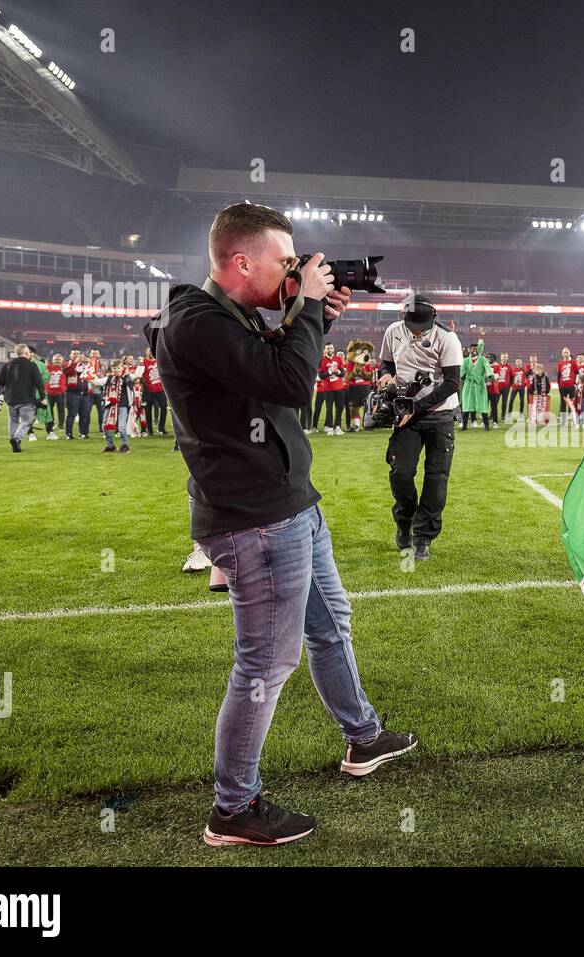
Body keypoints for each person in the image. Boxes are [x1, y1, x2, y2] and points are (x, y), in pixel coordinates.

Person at [146, 202, 416, 847]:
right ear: (242, 262)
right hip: (257, 520)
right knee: (266, 663)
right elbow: (290, 383)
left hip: (290, 504)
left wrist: (309, 313)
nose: (295, 270)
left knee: (330, 625)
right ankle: (233, 808)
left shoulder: (227, 317)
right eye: (283, 261)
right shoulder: (196, 321)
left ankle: (362, 736)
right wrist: (308, 315)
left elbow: (267, 373)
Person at [377, 293, 464, 561]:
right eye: (411, 325)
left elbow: (451, 383)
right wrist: (386, 375)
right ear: (404, 317)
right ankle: (404, 522)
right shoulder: (393, 331)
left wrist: (414, 408)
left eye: (421, 327)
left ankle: (424, 537)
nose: (415, 331)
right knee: (401, 473)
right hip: (405, 413)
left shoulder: (447, 338)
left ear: (433, 319)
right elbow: (386, 362)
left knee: (436, 480)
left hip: (439, 415)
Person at [0, 343, 44, 453]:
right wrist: (42, 396)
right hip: (26, 399)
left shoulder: (8, 365)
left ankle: (14, 441)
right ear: (27, 353)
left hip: (10, 399)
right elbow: (39, 382)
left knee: (12, 420)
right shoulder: (32, 365)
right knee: (27, 421)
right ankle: (16, 439)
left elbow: (0, 381)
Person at [96, 358, 135, 453]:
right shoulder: (109, 378)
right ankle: (110, 445)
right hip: (110, 405)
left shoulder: (127, 378)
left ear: (122, 368)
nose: (116, 370)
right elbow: (97, 382)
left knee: (122, 427)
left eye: (118, 368)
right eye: (114, 368)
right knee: (105, 425)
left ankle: (125, 445)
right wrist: (89, 374)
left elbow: (137, 375)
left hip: (123, 405)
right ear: (111, 369)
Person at [459, 339, 490, 430]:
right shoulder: (465, 361)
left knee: (483, 405)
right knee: (467, 405)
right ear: (469, 350)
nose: (474, 350)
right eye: (472, 349)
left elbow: (488, 368)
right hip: (469, 385)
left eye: (476, 349)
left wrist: (490, 375)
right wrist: (459, 377)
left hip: (480, 385)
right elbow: (461, 371)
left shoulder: (483, 360)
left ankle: (486, 426)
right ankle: (464, 426)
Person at [63, 349, 92, 440]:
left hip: (85, 393)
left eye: (78, 354)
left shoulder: (86, 366)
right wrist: (75, 362)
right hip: (73, 393)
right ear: (70, 355)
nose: (76, 356)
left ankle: (83, 433)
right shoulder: (67, 364)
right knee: (72, 414)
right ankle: (68, 433)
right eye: (74, 354)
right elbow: (69, 371)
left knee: (85, 414)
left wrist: (90, 362)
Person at [142, 347, 169, 436]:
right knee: (148, 410)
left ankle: (161, 427)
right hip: (148, 390)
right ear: (146, 353)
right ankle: (150, 430)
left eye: (151, 351)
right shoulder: (143, 363)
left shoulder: (159, 361)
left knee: (164, 408)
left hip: (160, 389)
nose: (150, 352)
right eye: (148, 351)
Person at [43, 353, 66, 439]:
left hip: (60, 393)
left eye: (59, 360)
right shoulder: (48, 367)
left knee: (61, 410)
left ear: (62, 361)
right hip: (49, 393)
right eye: (56, 360)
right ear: (52, 360)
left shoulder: (64, 368)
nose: (57, 361)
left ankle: (61, 425)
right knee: (49, 411)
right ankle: (50, 425)